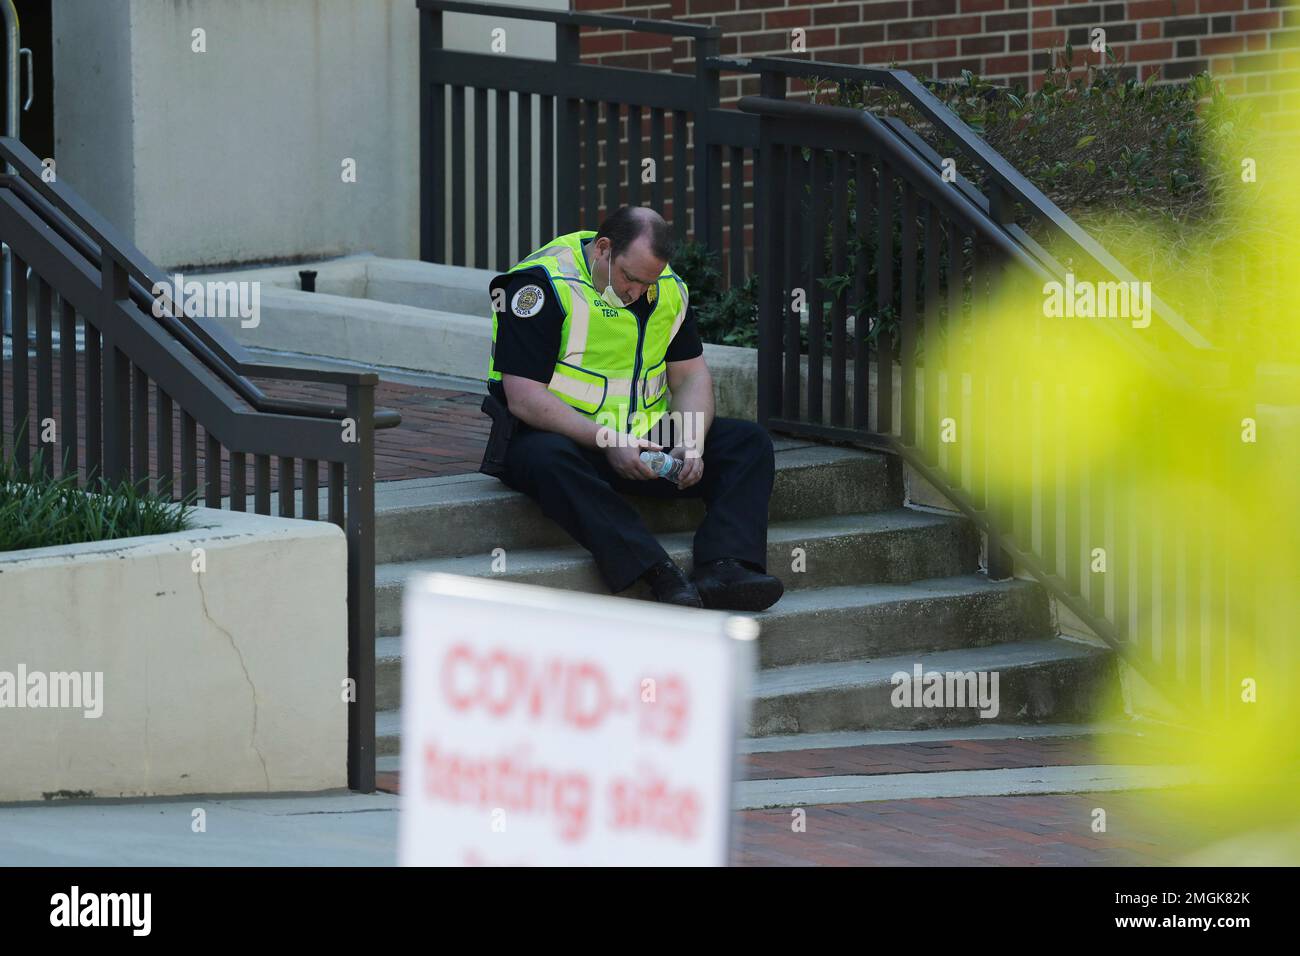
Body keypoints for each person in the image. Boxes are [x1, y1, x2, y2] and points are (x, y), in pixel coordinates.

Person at [478, 205, 783, 611]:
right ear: (603, 249)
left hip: (641, 439)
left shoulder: (668, 288)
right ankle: (655, 571)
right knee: (545, 459)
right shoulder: (539, 285)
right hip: (564, 439)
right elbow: (524, 397)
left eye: (648, 281)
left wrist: (690, 441)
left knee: (748, 443)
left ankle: (725, 569)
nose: (636, 291)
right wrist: (607, 440)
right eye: (630, 278)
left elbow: (690, 376)